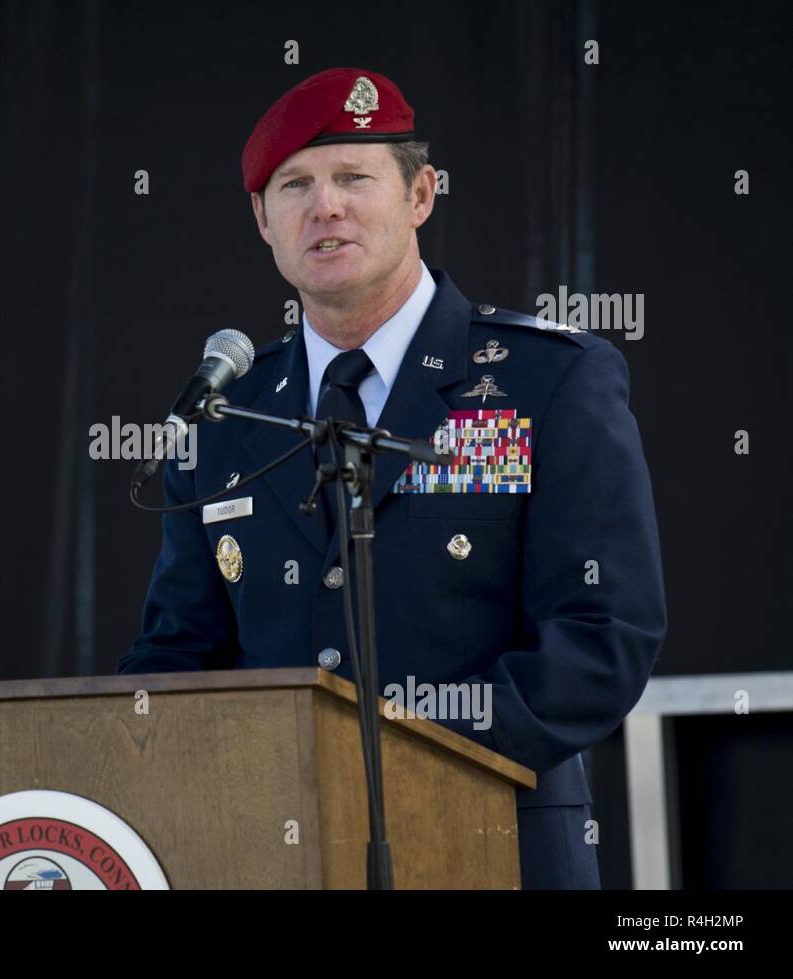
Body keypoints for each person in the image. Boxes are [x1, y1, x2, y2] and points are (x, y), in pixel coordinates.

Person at [117, 68, 667, 889]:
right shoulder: (224, 418)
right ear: (263, 221)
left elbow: (601, 634)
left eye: (353, 177)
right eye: (294, 185)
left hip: (491, 844)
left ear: (421, 195)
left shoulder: (547, 381)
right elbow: (179, 653)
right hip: (276, 857)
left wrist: (403, 755)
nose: (325, 205)